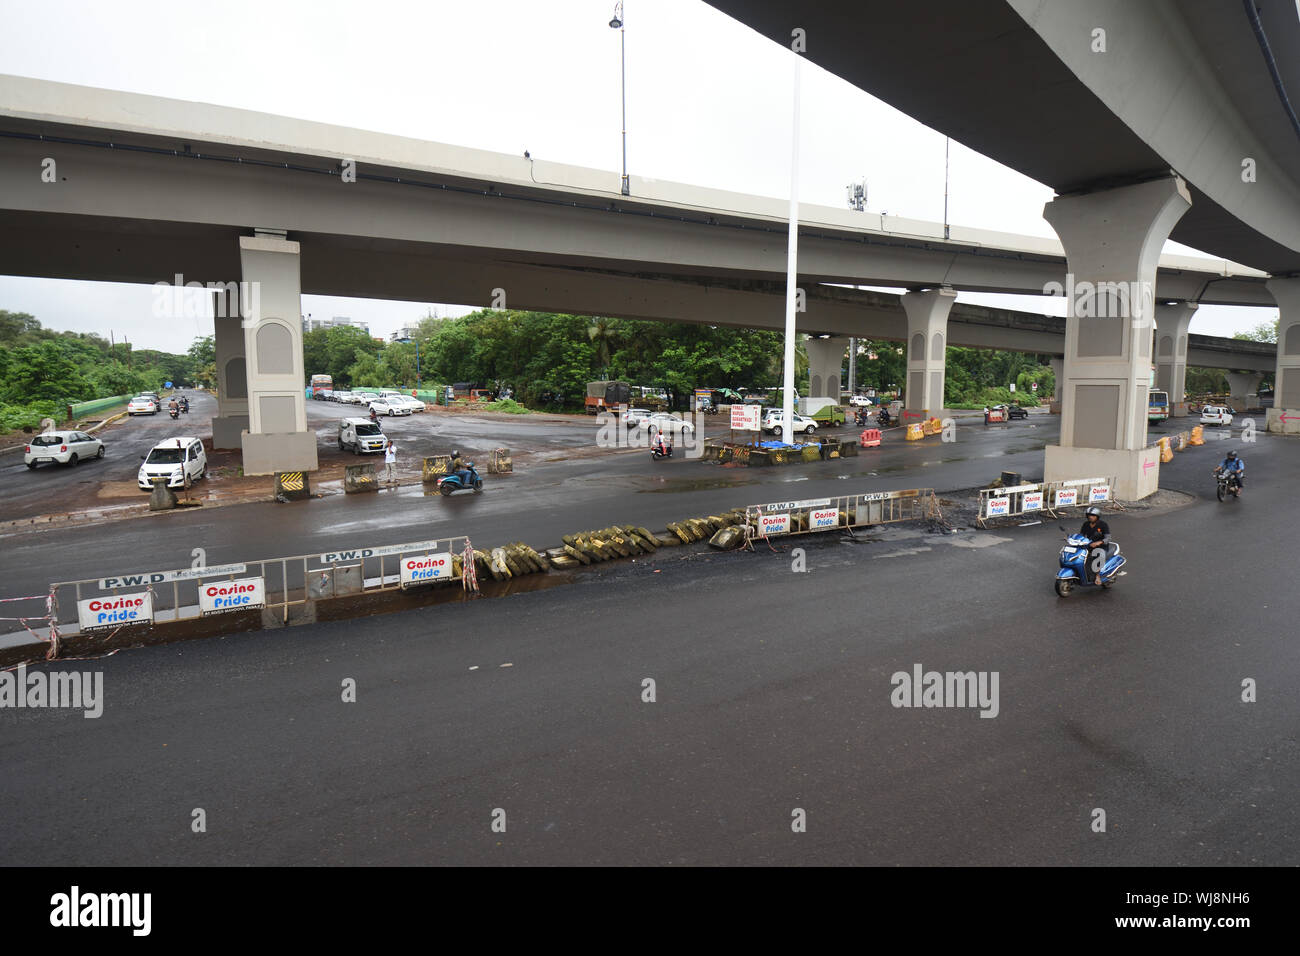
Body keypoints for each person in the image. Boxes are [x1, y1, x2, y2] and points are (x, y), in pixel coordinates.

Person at [1079, 506, 1111, 586]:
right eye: (1089, 515)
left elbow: (1108, 538)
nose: (1090, 517)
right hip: (1088, 545)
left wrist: (1098, 543)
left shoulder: (1103, 525)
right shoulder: (1086, 524)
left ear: (1097, 517)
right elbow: (1081, 535)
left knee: (1099, 554)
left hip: (1101, 546)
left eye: (1093, 515)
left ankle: (1098, 576)